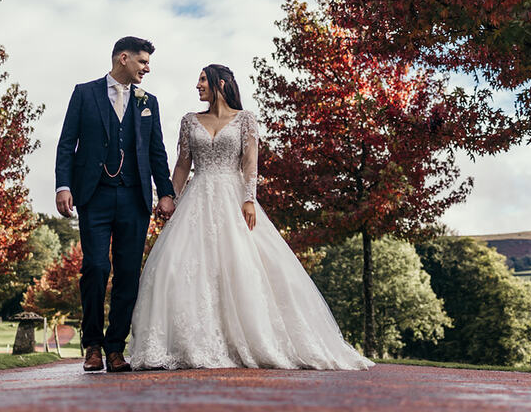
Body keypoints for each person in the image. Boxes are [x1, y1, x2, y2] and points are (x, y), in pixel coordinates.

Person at [128, 64, 373, 370]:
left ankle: (246, 339)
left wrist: (249, 199)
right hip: (196, 198)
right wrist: (170, 199)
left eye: (202, 79)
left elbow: (249, 164)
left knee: (241, 264)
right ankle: (192, 341)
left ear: (220, 83)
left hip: (234, 198)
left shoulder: (245, 120)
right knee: (180, 266)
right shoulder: (189, 120)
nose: (197, 85)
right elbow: (182, 165)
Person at [54, 36, 176, 373]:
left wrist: (166, 193)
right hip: (94, 196)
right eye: (142, 62)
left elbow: (156, 151)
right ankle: (92, 345)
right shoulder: (84, 93)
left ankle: (115, 348)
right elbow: (66, 143)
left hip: (135, 198)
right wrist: (63, 185)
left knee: (128, 275)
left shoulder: (148, 101)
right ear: (123, 58)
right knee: (96, 267)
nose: (147, 69)